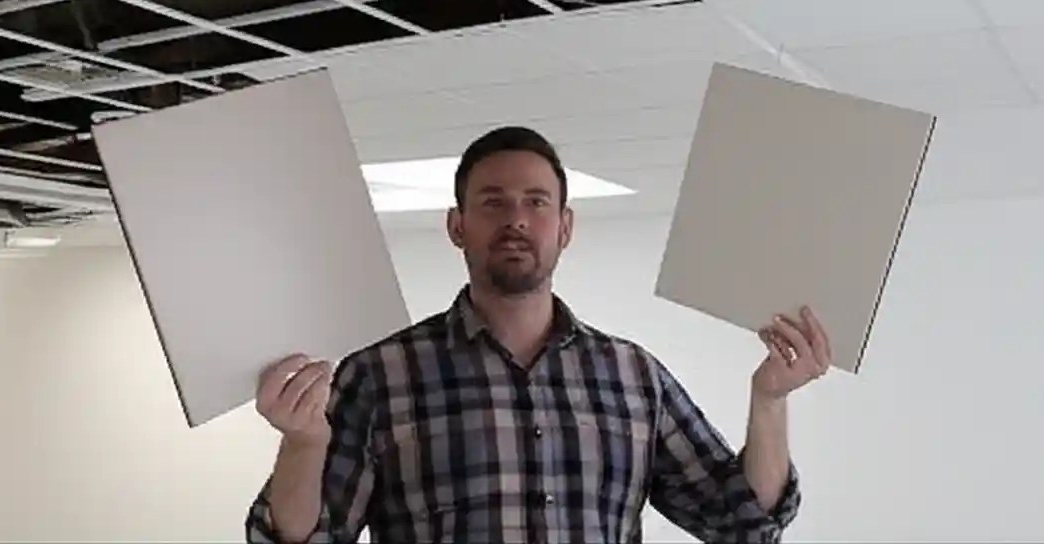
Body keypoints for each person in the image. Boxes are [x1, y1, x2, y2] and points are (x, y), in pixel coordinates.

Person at [244, 126, 832, 544]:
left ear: (565, 227)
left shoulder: (634, 378)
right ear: (457, 226)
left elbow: (744, 523)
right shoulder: (380, 376)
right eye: (492, 203)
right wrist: (303, 443)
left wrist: (769, 400)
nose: (516, 219)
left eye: (536, 202)